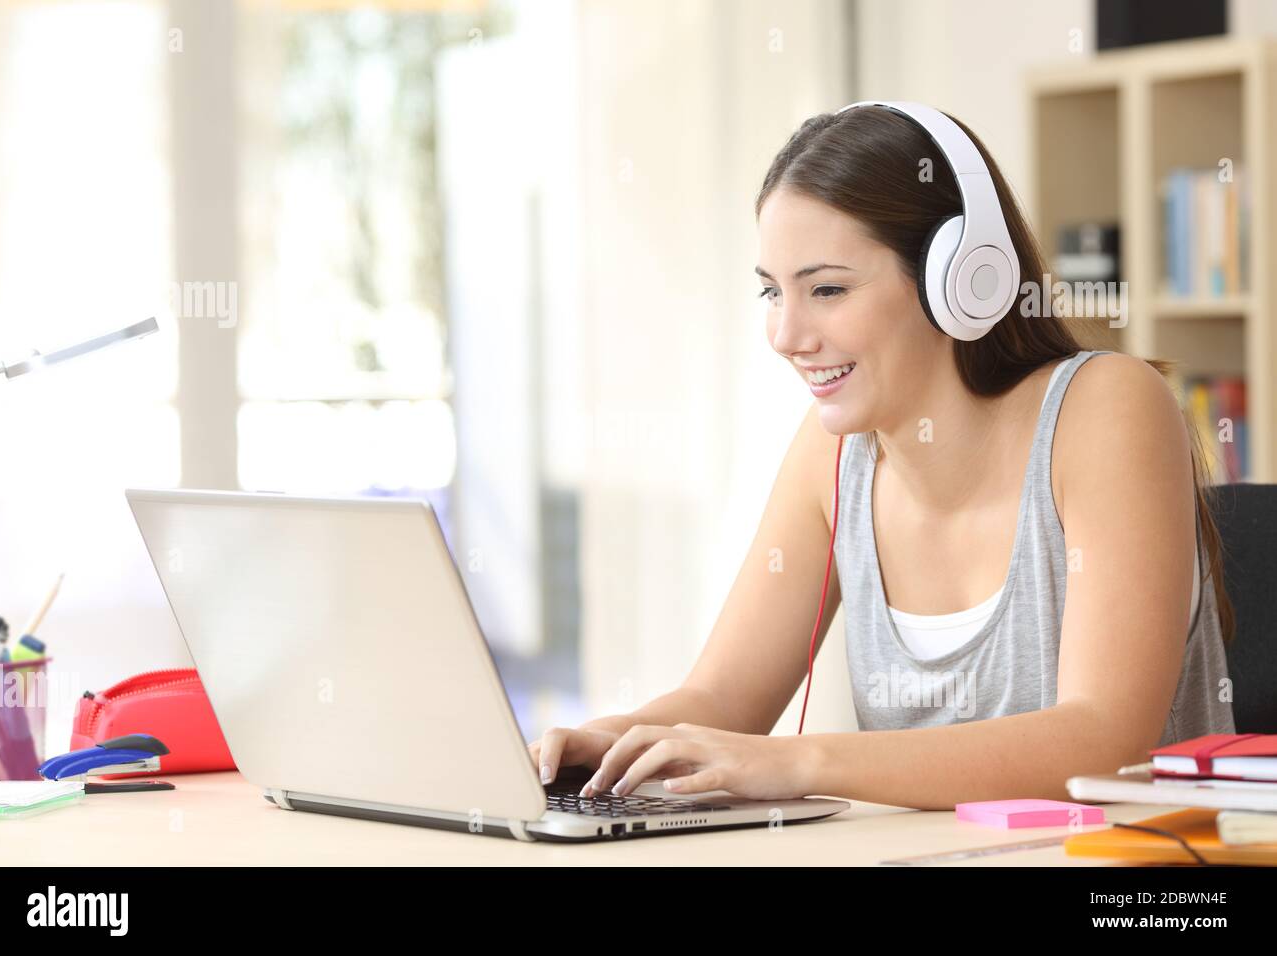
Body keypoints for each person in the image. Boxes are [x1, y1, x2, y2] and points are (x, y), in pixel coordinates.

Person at [528, 103, 1236, 810]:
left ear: (962, 279)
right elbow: (724, 698)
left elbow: (1103, 741)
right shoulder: (832, 454)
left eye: (827, 289)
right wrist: (611, 743)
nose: (785, 332)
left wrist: (802, 760)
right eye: (773, 291)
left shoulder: (1106, 408)